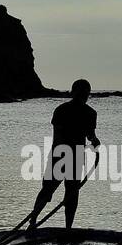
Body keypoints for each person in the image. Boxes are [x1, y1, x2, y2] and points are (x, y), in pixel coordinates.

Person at [27, 79, 101, 229]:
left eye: (85, 93)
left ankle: (53, 225)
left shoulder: (75, 111)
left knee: (62, 193)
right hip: (66, 156)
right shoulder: (79, 112)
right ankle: (39, 222)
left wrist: (93, 140)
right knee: (59, 192)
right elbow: (84, 135)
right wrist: (92, 141)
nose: (84, 96)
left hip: (65, 155)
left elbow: (87, 135)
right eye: (83, 93)